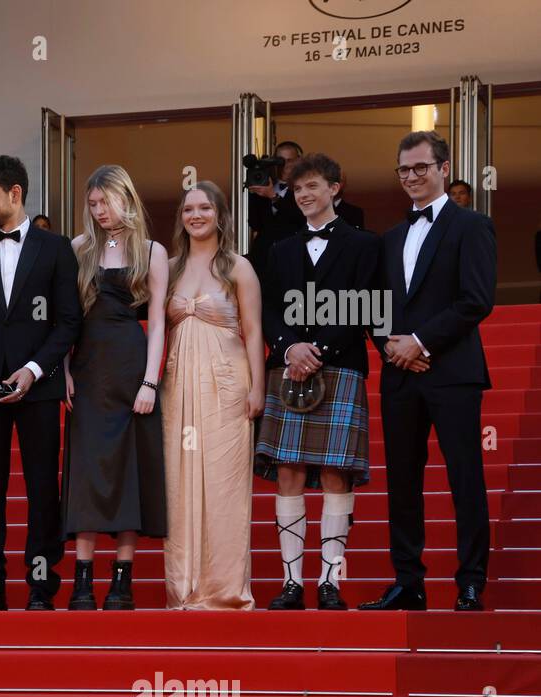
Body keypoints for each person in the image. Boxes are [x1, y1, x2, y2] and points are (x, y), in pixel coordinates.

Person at [361, 131, 496, 612]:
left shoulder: (471, 225)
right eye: (404, 170)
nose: (412, 177)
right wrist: (392, 348)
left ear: (443, 167)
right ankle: (408, 582)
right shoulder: (392, 237)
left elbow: (476, 299)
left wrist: (419, 342)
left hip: (453, 372)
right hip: (401, 376)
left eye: (420, 167)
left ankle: (471, 580)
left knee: (465, 477)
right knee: (402, 482)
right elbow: (374, 305)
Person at [0, 155, 82, 611]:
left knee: (43, 490)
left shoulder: (56, 248)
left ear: (14, 193)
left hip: (38, 388)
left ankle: (41, 589)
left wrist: (33, 369)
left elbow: (67, 322)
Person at [257, 153, 382, 612]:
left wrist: (320, 351)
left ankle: (330, 580)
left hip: (341, 366)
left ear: (335, 188)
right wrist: (291, 347)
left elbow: (368, 306)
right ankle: (292, 583)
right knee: (287, 472)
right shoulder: (280, 249)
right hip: (288, 367)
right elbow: (268, 308)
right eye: (298, 189)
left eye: (314, 186)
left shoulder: (366, 245)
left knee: (334, 473)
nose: (305, 195)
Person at [64, 165, 167, 611]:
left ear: (126, 197)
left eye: (106, 201)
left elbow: (159, 321)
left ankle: (122, 580)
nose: (100, 211)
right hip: (88, 370)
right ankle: (81, 580)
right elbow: (67, 318)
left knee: (131, 471)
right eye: (93, 203)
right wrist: (65, 370)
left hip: (131, 367)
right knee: (87, 472)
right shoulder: (79, 248)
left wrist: (150, 380)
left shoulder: (151, 251)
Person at [162, 181, 264, 610]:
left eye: (205, 207)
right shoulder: (166, 267)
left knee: (225, 486)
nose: (196, 215)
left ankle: (225, 591)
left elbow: (254, 329)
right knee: (178, 485)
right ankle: (182, 589)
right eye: (189, 209)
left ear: (220, 214)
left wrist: (258, 387)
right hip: (177, 385)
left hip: (227, 383)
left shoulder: (239, 267)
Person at [248, 140, 306, 277]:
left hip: (293, 260)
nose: (285, 165)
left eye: (290, 160)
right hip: (263, 261)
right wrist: (254, 194)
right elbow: (255, 223)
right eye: (280, 161)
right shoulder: (266, 185)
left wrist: (273, 197)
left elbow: (301, 219)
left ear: (299, 162)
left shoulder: (306, 188)